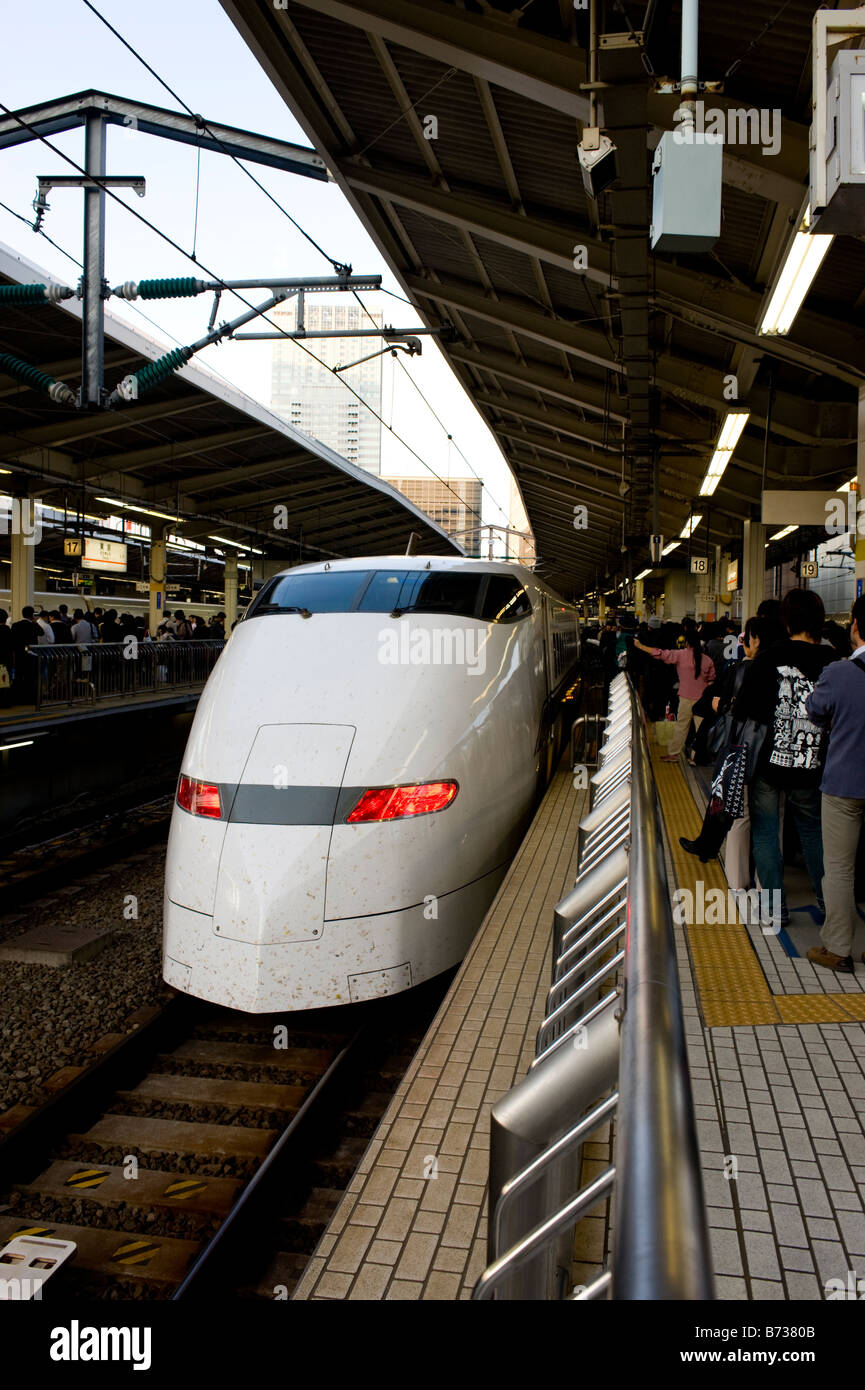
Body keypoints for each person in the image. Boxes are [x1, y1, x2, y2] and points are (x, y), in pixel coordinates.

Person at [733, 588, 839, 931]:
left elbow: (746, 709)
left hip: (767, 765)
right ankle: (828, 902)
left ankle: (775, 909)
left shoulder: (766, 659)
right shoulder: (832, 663)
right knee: (813, 833)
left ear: (786, 621)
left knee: (765, 831)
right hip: (812, 766)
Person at [679, 615, 769, 875]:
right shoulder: (777, 670)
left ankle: (714, 854)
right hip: (767, 753)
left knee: (725, 801)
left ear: (756, 640)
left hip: (739, 748)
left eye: (747, 636)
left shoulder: (743, 670)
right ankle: (768, 891)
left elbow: (721, 704)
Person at [804, 595, 865, 973]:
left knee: (840, 867)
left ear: (855, 626)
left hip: (844, 784)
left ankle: (838, 948)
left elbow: (814, 710)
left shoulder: (840, 673)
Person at [633, 625, 716, 761]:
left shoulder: (680, 655)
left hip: (685, 698)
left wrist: (640, 646)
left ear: (687, 642)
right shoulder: (707, 660)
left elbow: (659, 653)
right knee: (702, 730)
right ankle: (700, 757)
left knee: (681, 727)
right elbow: (711, 680)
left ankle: (673, 753)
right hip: (703, 701)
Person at [10, 606, 42, 701]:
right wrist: (35, 622)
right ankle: (30, 698)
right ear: (32, 615)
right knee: (30, 677)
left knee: (19, 676)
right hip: (31, 655)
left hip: (19, 655)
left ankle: (18, 698)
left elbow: (13, 640)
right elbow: (41, 632)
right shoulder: (33, 625)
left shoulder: (15, 625)